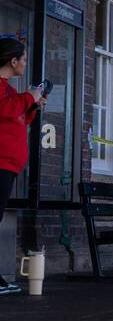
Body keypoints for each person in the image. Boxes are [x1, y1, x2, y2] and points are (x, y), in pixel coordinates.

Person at [0, 36, 45, 296]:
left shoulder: (8, 89)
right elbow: (4, 109)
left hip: (8, 163)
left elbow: (14, 119)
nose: (25, 63)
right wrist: (28, 96)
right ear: (12, 60)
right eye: (23, 59)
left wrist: (31, 106)